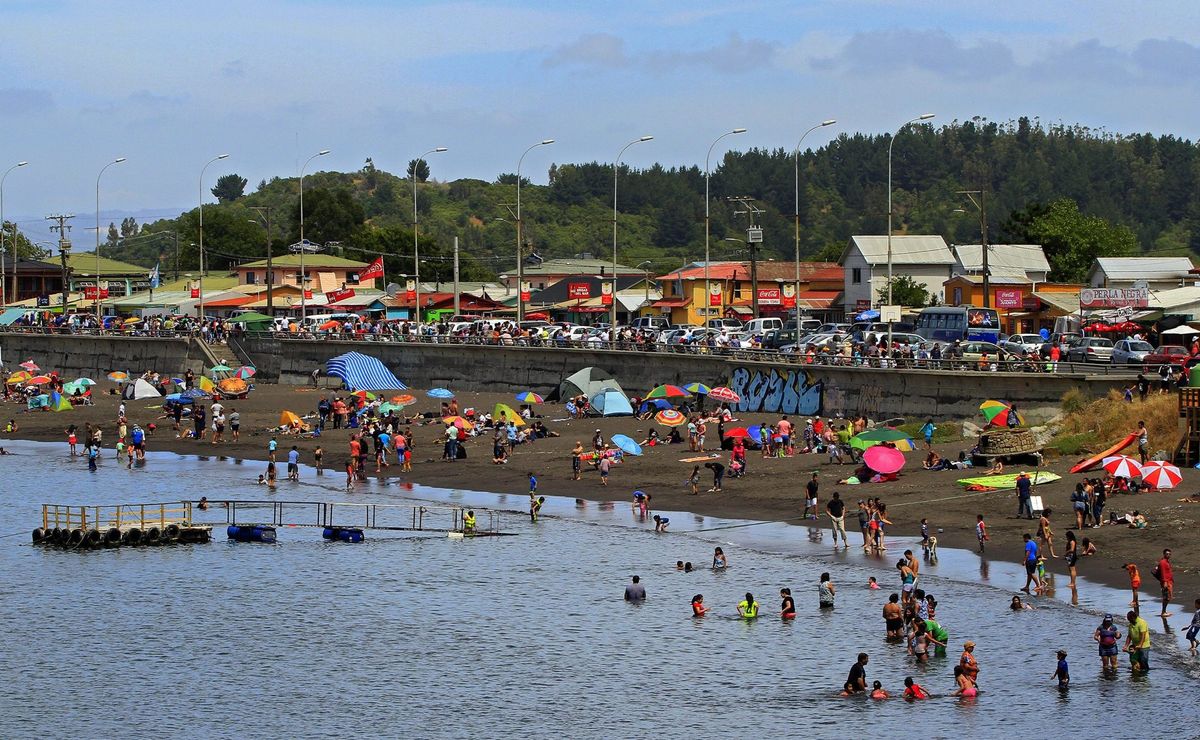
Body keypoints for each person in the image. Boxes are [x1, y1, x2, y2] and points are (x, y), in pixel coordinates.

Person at [1153, 548, 1173, 617]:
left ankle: (1164, 611)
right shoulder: (1163, 562)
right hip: (1166, 582)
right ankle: (1163, 612)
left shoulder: (1166, 561)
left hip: (1168, 581)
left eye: (1169, 554)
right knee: (1166, 597)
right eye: (1167, 554)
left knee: (1167, 597)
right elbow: (1163, 573)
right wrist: (1164, 582)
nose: (1168, 555)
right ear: (1164, 554)